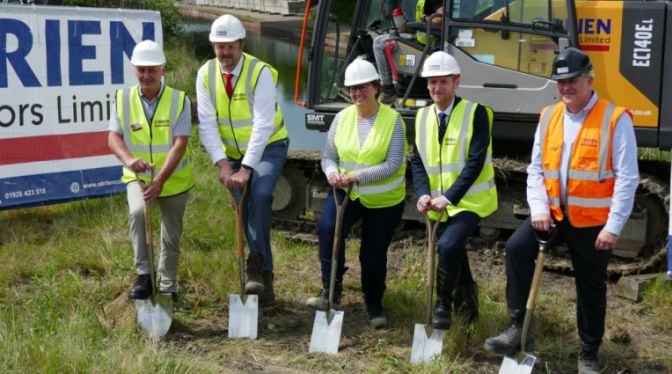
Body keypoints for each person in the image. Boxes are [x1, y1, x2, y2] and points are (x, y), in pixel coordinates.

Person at [483, 48, 639, 374]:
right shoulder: (549, 115)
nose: (565, 87)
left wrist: (613, 227)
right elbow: (536, 169)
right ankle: (518, 327)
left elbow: (627, 177)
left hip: (593, 223)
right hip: (552, 214)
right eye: (560, 81)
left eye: (572, 80)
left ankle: (589, 352)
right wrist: (538, 209)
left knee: (591, 286)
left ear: (589, 80)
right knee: (516, 249)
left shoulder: (615, 118)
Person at [196, 15, 290, 312]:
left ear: (241, 45)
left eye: (231, 47)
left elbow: (263, 124)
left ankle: (256, 267)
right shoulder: (205, 74)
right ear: (212, 44)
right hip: (232, 155)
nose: (225, 53)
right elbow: (207, 125)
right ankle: (265, 290)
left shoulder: (259, 72)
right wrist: (223, 164)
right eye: (219, 46)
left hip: (268, 146)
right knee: (247, 211)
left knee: (260, 196)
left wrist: (246, 168)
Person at [305, 59, 407, 329]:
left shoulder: (393, 120)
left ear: (375, 87)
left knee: (372, 254)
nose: (357, 94)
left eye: (363, 88)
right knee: (327, 230)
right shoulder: (342, 118)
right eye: (352, 89)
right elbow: (329, 157)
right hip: (346, 194)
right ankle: (330, 290)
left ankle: (374, 302)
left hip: (384, 200)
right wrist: (332, 174)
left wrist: (355, 176)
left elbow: (394, 164)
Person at [411, 51, 497, 330]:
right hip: (438, 203)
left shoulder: (476, 114)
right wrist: (423, 193)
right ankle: (469, 314)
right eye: (432, 82)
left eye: (443, 82)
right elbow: (419, 162)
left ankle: (443, 306)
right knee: (454, 250)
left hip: (470, 201)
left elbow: (475, 163)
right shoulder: (421, 117)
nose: (437, 88)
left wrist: (448, 198)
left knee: (447, 244)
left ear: (456, 81)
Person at [108, 40, 193, 303]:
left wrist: (159, 181)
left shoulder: (180, 100)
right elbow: (113, 138)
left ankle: (168, 285)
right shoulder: (122, 98)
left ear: (163, 69)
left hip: (174, 180)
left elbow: (180, 144)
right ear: (135, 70)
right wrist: (129, 160)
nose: (146, 76)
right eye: (141, 70)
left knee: (170, 233)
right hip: (138, 179)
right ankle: (144, 275)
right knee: (136, 213)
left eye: (152, 70)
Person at [373, 0, 444, 104]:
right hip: (423, 44)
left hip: (431, 48)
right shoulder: (422, 2)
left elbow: (441, 19)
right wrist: (405, 27)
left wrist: (424, 19)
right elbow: (419, 29)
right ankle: (394, 83)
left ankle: (388, 89)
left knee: (380, 43)